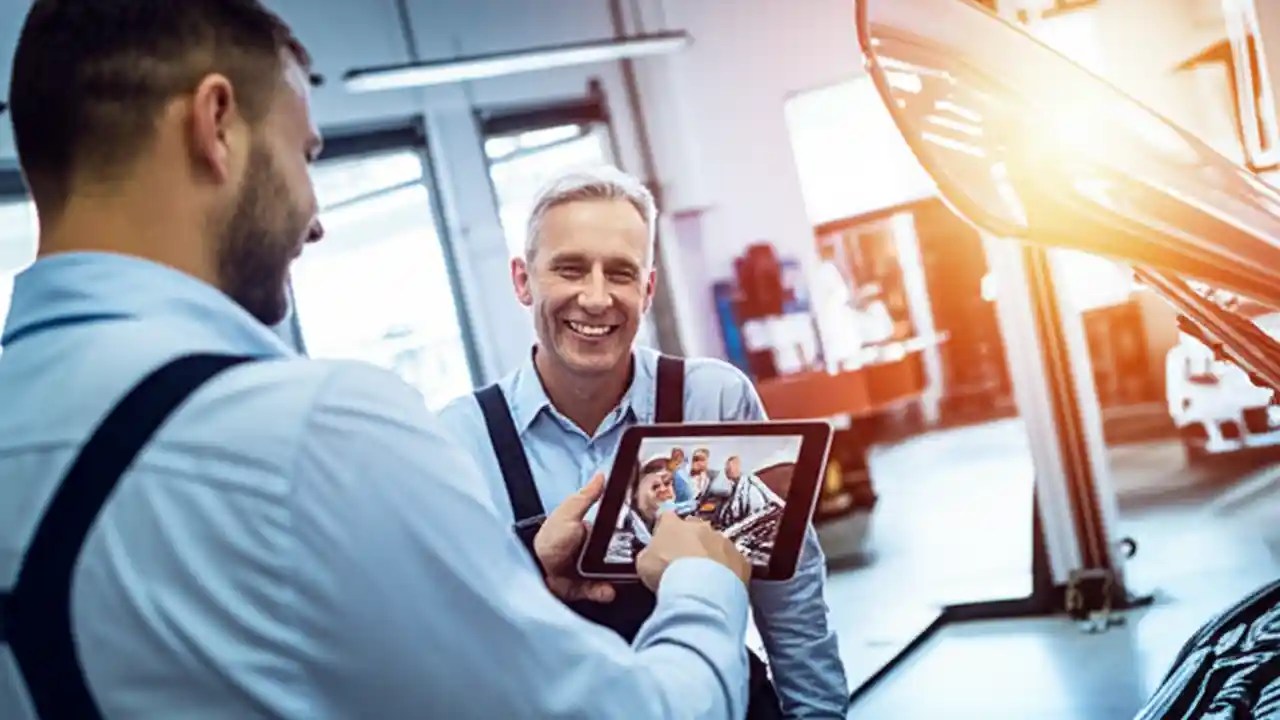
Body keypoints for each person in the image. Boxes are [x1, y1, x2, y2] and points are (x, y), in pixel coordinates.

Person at [0, 2, 754, 718]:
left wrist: (523, 585)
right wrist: (702, 581)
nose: (316, 219)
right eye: (304, 154)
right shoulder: (314, 433)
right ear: (215, 124)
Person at [440, 165, 851, 718]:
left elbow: (791, 600)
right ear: (522, 280)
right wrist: (535, 574)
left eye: (621, 273)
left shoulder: (714, 400)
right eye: (569, 269)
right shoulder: (460, 443)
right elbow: (454, 649)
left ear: (648, 288)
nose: (595, 297)